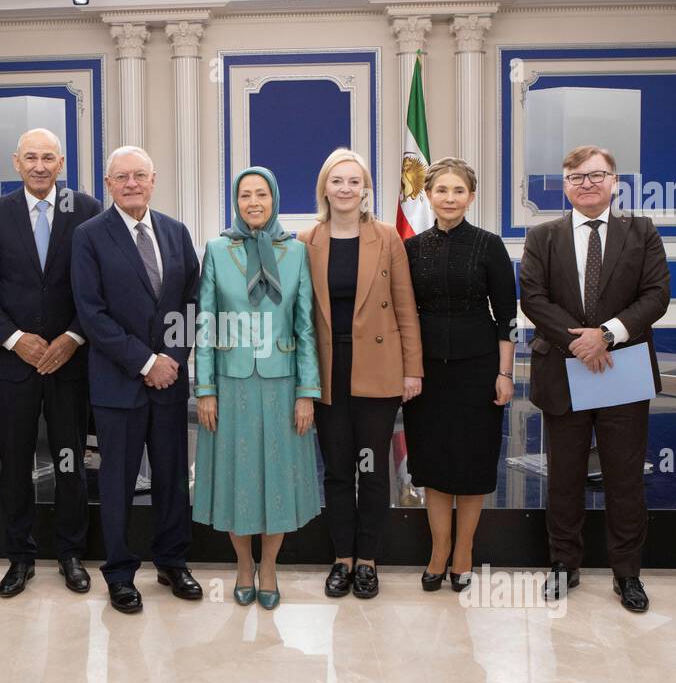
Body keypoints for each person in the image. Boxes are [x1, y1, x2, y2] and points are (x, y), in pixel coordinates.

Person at [518, 144, 670, 612]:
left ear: (614, 182)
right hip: (564, 371)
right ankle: (564, 564)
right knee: (564, 478)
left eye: (597, 175)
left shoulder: (641, 231)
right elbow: (534, 298)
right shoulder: (542, 236)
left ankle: (628, 575)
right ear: (565, 186)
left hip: (622, 371)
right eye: (577, 177)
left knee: (625, 479)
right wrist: (580, 342)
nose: (587, 183)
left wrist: (605, 335)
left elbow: (656, 295)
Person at [0, 128, 101, 598]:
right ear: (16, 163)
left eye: (48, 158)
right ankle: (19, 557)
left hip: (70, 364)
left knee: (70, 463)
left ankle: (70, 554)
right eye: (30, 158)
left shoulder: (85, 209)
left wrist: (73, 336)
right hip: (13, 366)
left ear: (61, 163)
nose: (39, 166)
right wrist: (15, 339)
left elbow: (99, 288)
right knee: (15, 463)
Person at [70, 146, 200, 614]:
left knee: (171, 480)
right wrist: (147, 362)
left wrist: (172, 357)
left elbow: (191, 301)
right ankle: (120, 573)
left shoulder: (175, 231)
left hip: (169, 383)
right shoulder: (89, 236)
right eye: (121, 177)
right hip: (118, 385)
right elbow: (92, 312)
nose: (131, 183)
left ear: (153, 179)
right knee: (118, 483)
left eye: (139, 175)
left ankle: (172, 561)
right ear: (108, 184)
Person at [193, 166, 320, 610]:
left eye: (261, 194)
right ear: (235, 201)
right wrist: (204, 387)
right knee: (237, 477)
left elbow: (305, 328)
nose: (253, 203)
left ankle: (269, 567)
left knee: (277, 479)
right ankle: (243, 565)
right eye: (245, 195)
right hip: (229, 385)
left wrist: (308, 392)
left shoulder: (296, 253)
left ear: (275, 199)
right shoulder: (215, 250)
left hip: (283, 384)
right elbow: (205, 324)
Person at [301, 148, 422, 600]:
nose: (346, 189)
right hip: (329, 371)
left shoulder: (388, 237)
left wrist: (413, 370)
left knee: (372, 470)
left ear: (365, 190)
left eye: (354, 181)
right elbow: (301, 315)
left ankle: (368, 560)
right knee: (336, 471)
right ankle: (342, 559)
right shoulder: (306, 239)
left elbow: (406, 307)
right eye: (338, 181)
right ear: (325, 188)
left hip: (378, 370)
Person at [401, 158, 515, 593]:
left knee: (471, 463)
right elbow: (402, 313)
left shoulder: (489, 245)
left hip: (479, 369)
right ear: (428, 195)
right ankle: (438, 550)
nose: (449, 198)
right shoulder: (410, 248)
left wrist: (505, 373)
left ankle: (464, 552)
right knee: (432, 463)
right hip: (425, 373)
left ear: (471, 196)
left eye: (458, 190)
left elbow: (506, 316)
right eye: (441, 190)